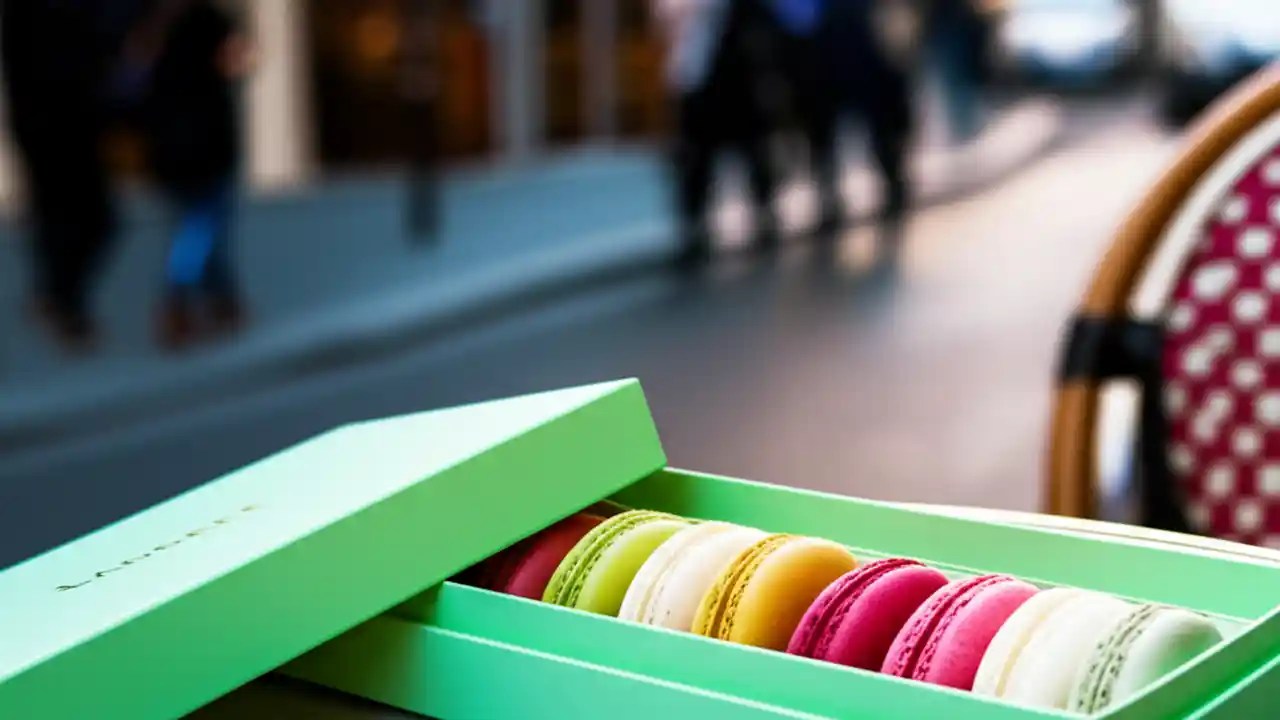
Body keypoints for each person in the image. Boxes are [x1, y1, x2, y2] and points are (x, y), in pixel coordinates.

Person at [132, 0, 252, 348]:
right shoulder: (202, 20)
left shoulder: (152, 21)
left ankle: (222, 304)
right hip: (199, 142)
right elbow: (239, 61)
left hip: (175, 143)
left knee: (203, 225)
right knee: (201, 226)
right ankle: (182, 304)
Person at [1, 0, 120, 349]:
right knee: (74, 217)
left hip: (60, 122)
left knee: (78, 219)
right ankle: (61, 304)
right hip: (55, 124)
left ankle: (60, 302)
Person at [655, 0, 784, 266]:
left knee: (752, 154)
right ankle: (695, 226)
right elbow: (667, 21)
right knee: (697, 162)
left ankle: (763, 213)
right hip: (699, 84)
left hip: (736, 81)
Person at [804, 0, 915, 228]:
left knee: (878, 116)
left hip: (860, 36)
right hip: (823, 40)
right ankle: (830, 196)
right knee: (823, 125)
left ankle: (893, 182)